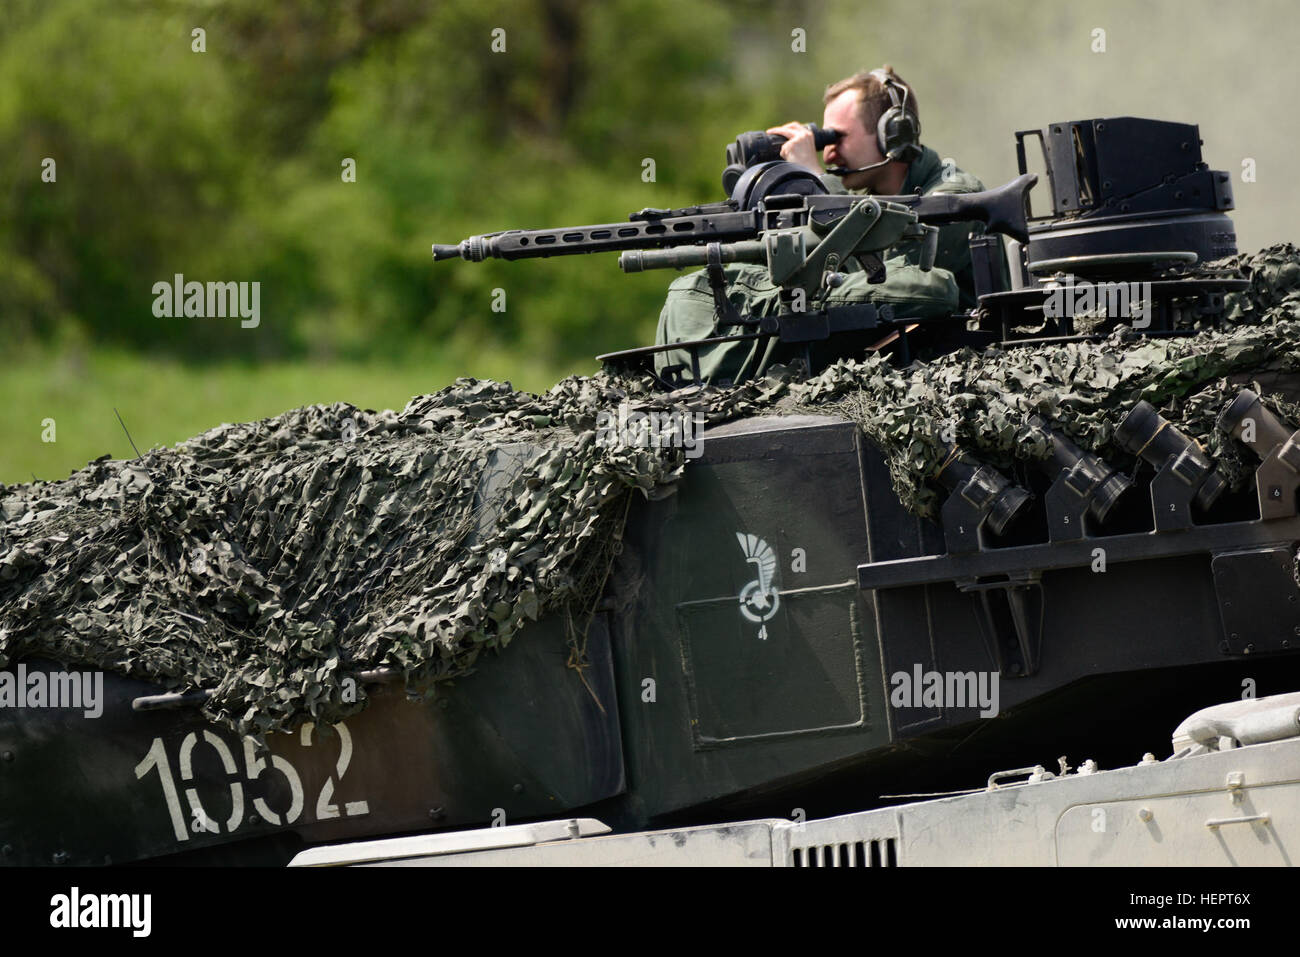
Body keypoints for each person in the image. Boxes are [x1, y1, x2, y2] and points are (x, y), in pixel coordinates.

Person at [654, 66, 994, 385]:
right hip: (895, 365)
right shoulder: (870, 200)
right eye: (823, 140)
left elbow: (894, 284)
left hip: (958, 368)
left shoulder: (954, 197)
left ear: (892, 135)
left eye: (838, 138)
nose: (829, 154)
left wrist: (817, 182)